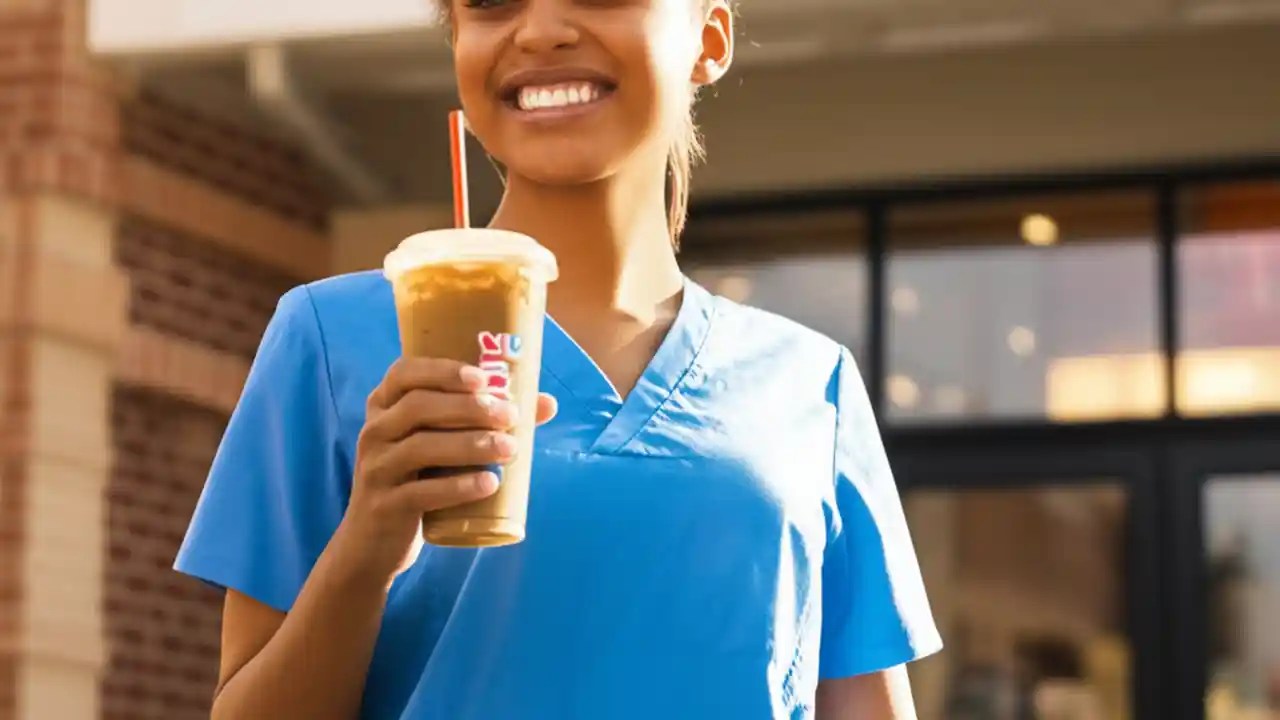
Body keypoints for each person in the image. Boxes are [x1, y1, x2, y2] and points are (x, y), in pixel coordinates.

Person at [174, 0, 943, 718]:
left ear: (709, 38)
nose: (539, 30)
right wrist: (366, 550)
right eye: (490, 0)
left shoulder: (812, 386)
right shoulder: (329, 339)